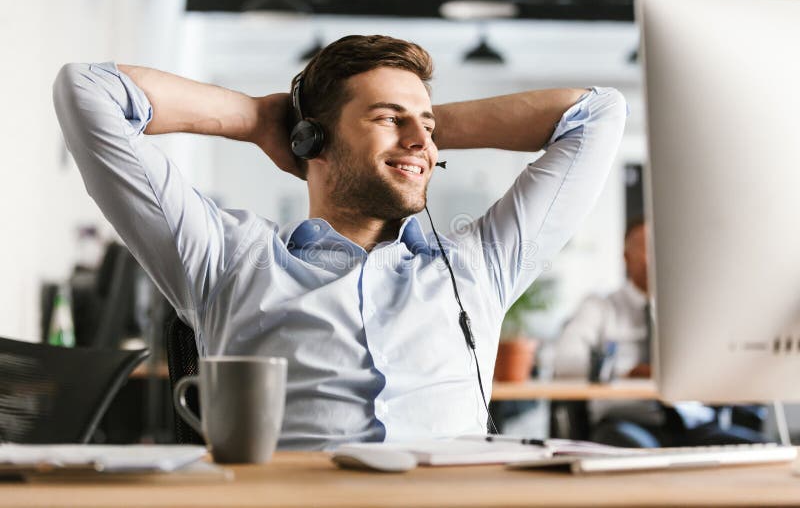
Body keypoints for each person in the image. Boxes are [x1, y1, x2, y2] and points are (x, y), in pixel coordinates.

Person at [53, 34, 627, 450]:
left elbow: (598, 114)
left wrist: (411, 132)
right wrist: (258, 117)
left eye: (427, 126)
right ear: (311, 140)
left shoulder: (479, 265)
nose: (423, 143)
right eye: (389, 117)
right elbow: (87, 90)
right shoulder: (228, 258)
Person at [555, 217, 765, 447]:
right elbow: (564, 362)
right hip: (625, 420)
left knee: (764, 450)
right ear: (627, 257)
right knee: (636, 450)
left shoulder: (693, 309)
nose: (657, 258)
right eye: (647, 249)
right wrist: (626, 373)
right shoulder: (600, 307)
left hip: (693, 423)